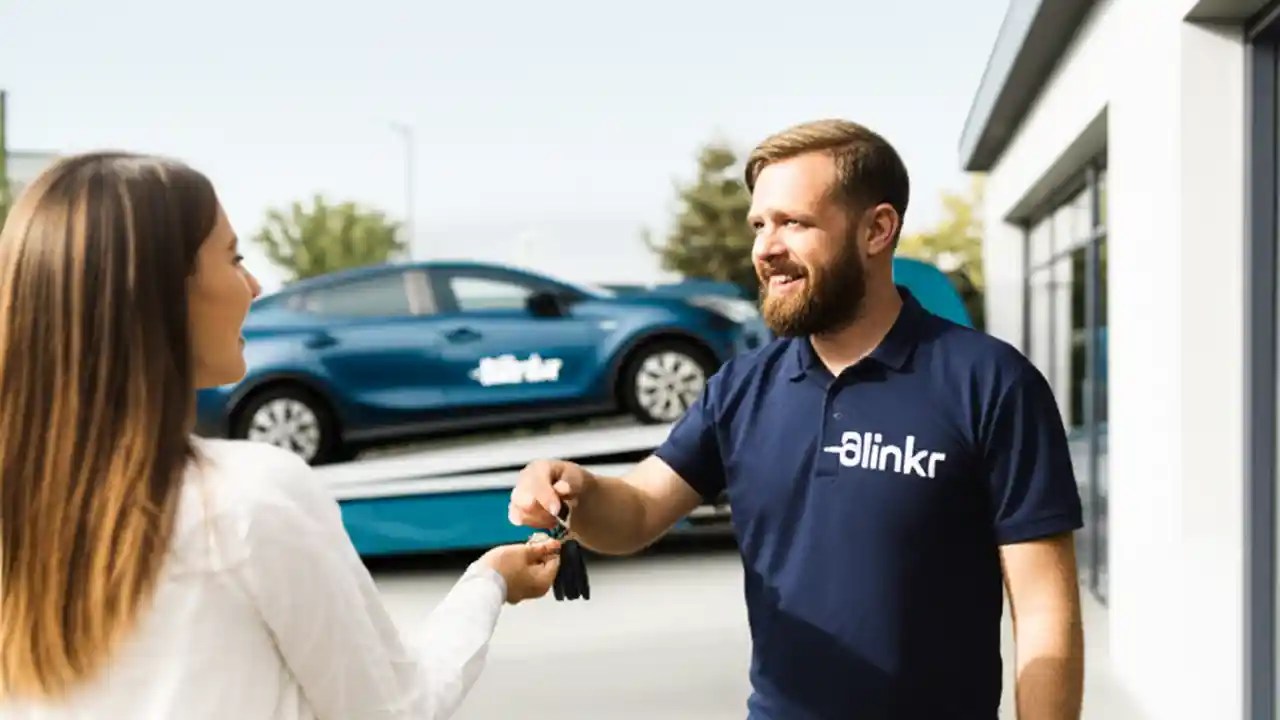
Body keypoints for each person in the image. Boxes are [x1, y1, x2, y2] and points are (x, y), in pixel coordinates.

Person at [510, 119, 1085, 719]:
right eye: (760, 224)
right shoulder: (741, 388)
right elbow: (635, 512)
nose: (766, 247)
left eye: (794, 223)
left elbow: (1045, 613)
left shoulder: (989, 383)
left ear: (877, 229)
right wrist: (574, 489)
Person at [0, 151, 562, 719]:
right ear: (163, 293)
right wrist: (489, 583)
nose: (254, 283)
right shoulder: (246, 499)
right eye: (233, 257)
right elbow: (395, 712)